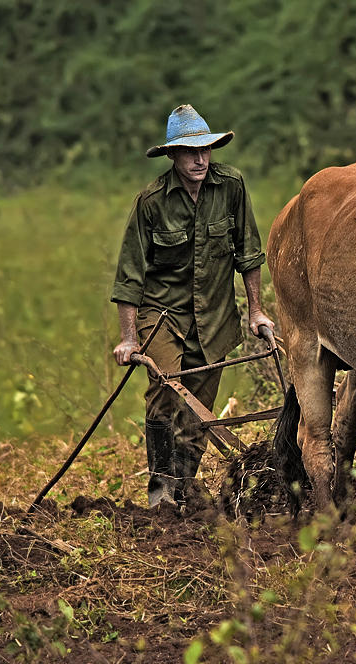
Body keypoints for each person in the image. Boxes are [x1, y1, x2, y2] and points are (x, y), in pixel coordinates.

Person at [111, 104, 274, 507]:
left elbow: (248, 255)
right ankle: (161, 491)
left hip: (215, 316)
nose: (200, 159)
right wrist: (129, 339)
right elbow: (130, 274)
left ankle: (184, 488)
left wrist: (255, 311)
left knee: (200, 410)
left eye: (205, 150)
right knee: (166, 392)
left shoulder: (232, 187)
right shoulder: (151, 202)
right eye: (189, 151)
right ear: (173, 156)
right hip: (162, 314)